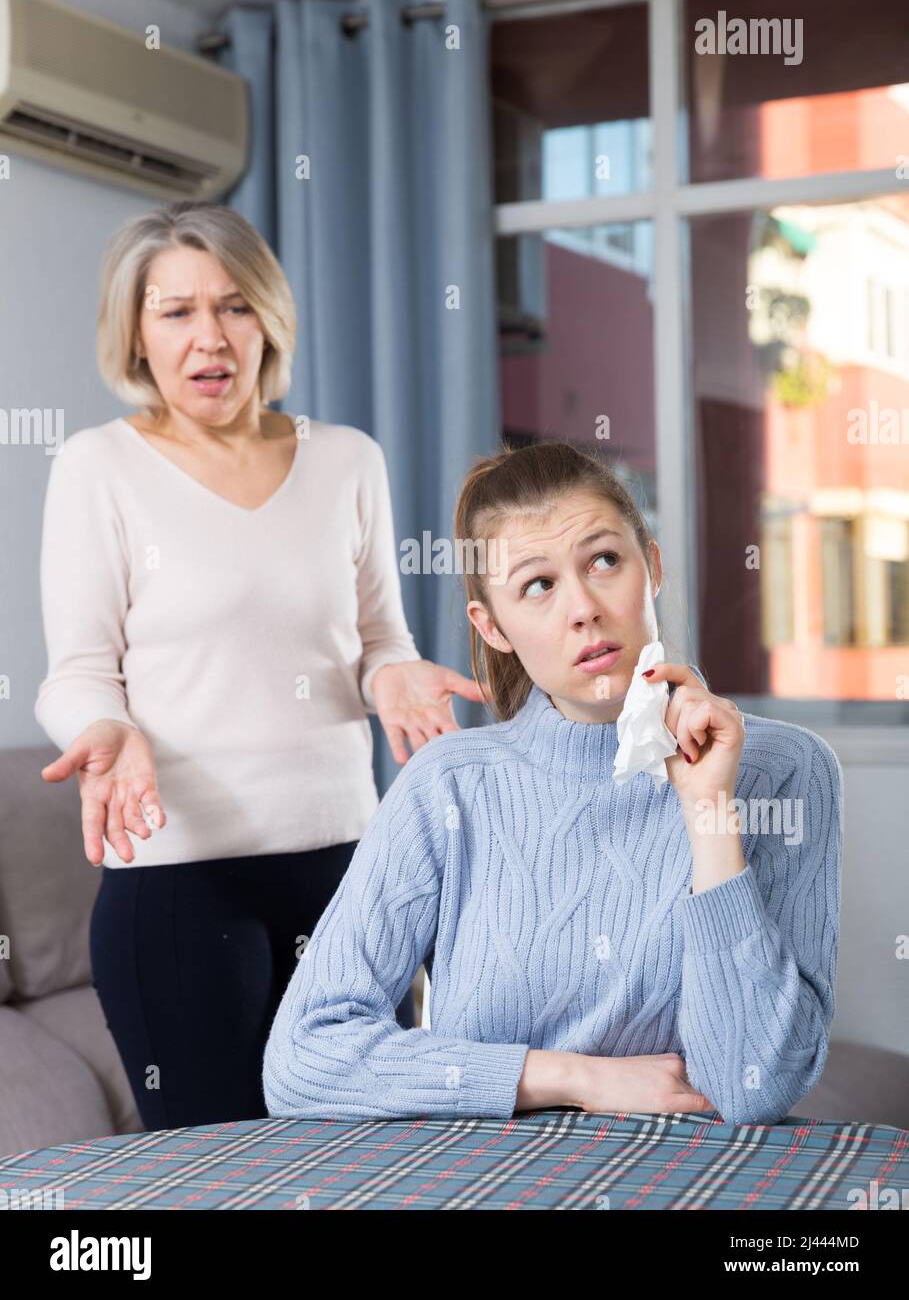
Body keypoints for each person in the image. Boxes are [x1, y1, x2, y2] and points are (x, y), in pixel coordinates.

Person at [34, 199, 483, 1132]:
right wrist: (104, 729)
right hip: (179, 884)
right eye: (177, 310)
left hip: (351, 871)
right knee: (222, 1180)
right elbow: (76, 671)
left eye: (235, 305)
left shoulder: (347, 460)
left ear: (269, 319)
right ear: (137, 332)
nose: (211, 336)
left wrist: (391, 676)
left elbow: (376, 642)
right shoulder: (98, 467)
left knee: (372, 1163)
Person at [262, 439, 844, 1127]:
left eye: (604, 561)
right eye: (537, 585)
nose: (583, 608)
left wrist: (708, 812)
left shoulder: (782, 770)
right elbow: (302, 1061)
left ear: (650, 566)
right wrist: (573, 1079)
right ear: (493, 626)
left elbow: (752, 1088)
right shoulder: (446, 789)